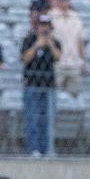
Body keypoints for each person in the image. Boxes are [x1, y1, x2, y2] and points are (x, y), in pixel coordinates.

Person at [20, 12, 61, 156]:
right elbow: (25, 58)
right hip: (32, 83)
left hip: (49, 85)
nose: (44, 29)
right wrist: (36, 46)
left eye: (47, 26)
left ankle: (47, 148)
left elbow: (58, 57)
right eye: (41, 25)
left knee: (48, 119)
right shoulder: (29, 40)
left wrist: (49, 43)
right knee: (33, 118)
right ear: (36, 27)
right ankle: (34, 149)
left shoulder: (54, 42)